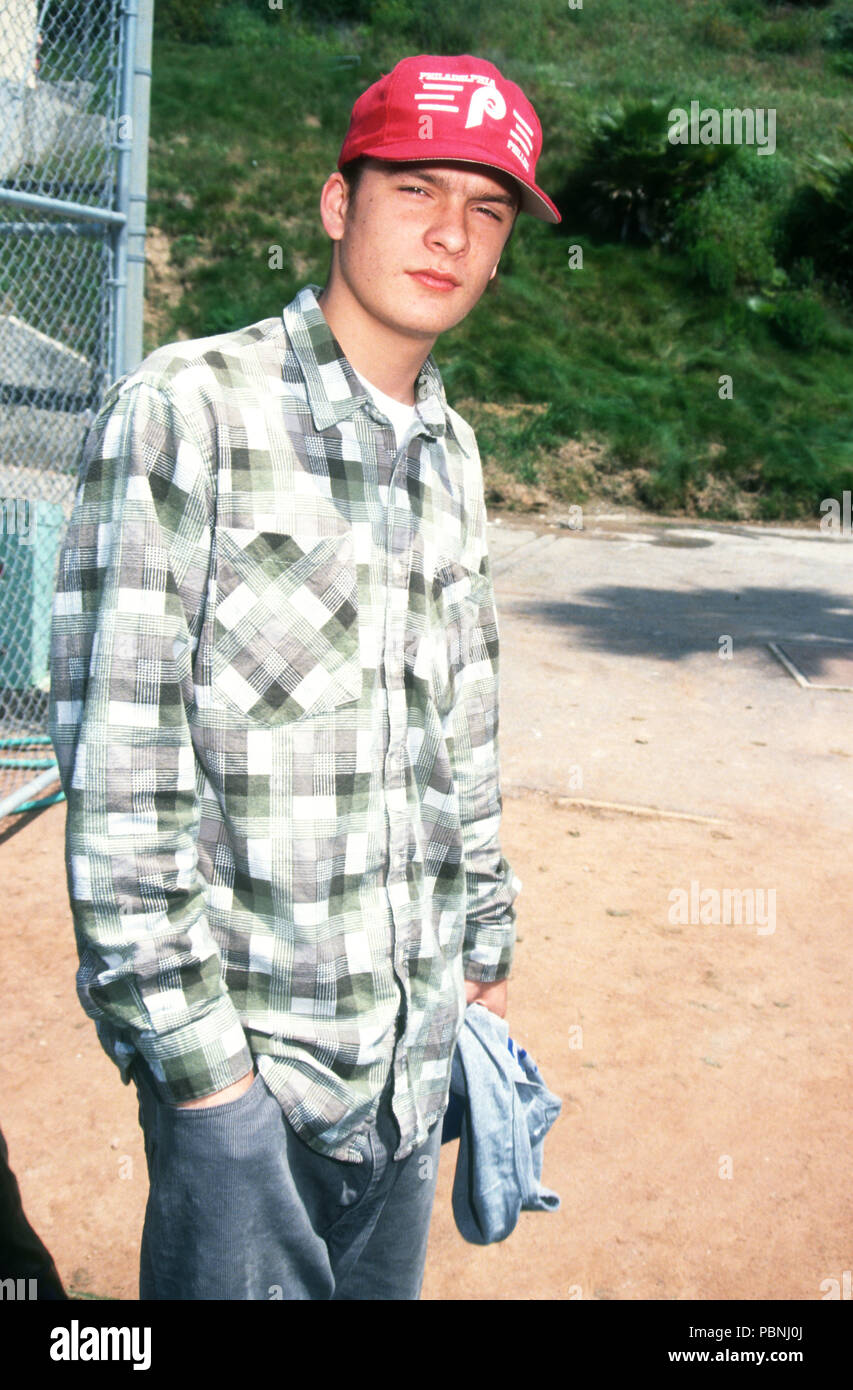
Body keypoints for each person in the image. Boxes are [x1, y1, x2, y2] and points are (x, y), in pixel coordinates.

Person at [48, 52, 561, 1301]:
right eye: (416, 191)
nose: (449, 234)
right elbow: (117, 770)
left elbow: (461, 715)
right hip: (249, 1073)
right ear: (339, 204)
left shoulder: (452, 449)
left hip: (408, 1052)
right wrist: (205, 1077)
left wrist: (478, 935)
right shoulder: (188, 409)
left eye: (486, 212)